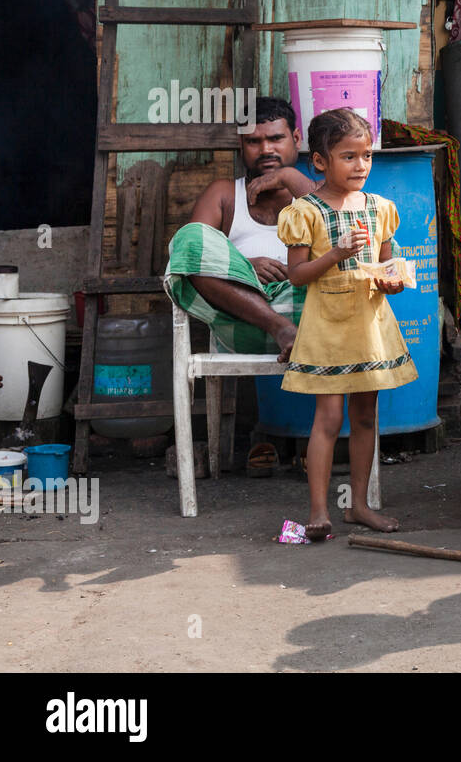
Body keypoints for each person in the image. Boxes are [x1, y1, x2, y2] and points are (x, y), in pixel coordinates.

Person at [276, 108, 417, 542]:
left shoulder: (380, 209)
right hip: (326, 327)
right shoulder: (306, 212)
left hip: (369, 324)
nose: (361, 166)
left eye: (367, 156)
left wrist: (393, 280)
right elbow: (297, 275)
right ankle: (319, 511)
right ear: (319, 161)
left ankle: (358, 506)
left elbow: (386, 262)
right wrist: (336, 253)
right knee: (328, 418)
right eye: (348, 156)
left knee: (366, 417)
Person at [164, 96, 310, 361]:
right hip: (242, 323)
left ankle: (288, 329)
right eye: (254, 141)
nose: (266, 149)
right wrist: (243, 267)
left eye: (276, 138)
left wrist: (288, 177)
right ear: (240, 145)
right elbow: (190, 253)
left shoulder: (315, 193)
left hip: (313, 317)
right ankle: (281, 328)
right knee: (189, 238)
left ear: (297, 139)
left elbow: (340, 224)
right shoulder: (224, 194)